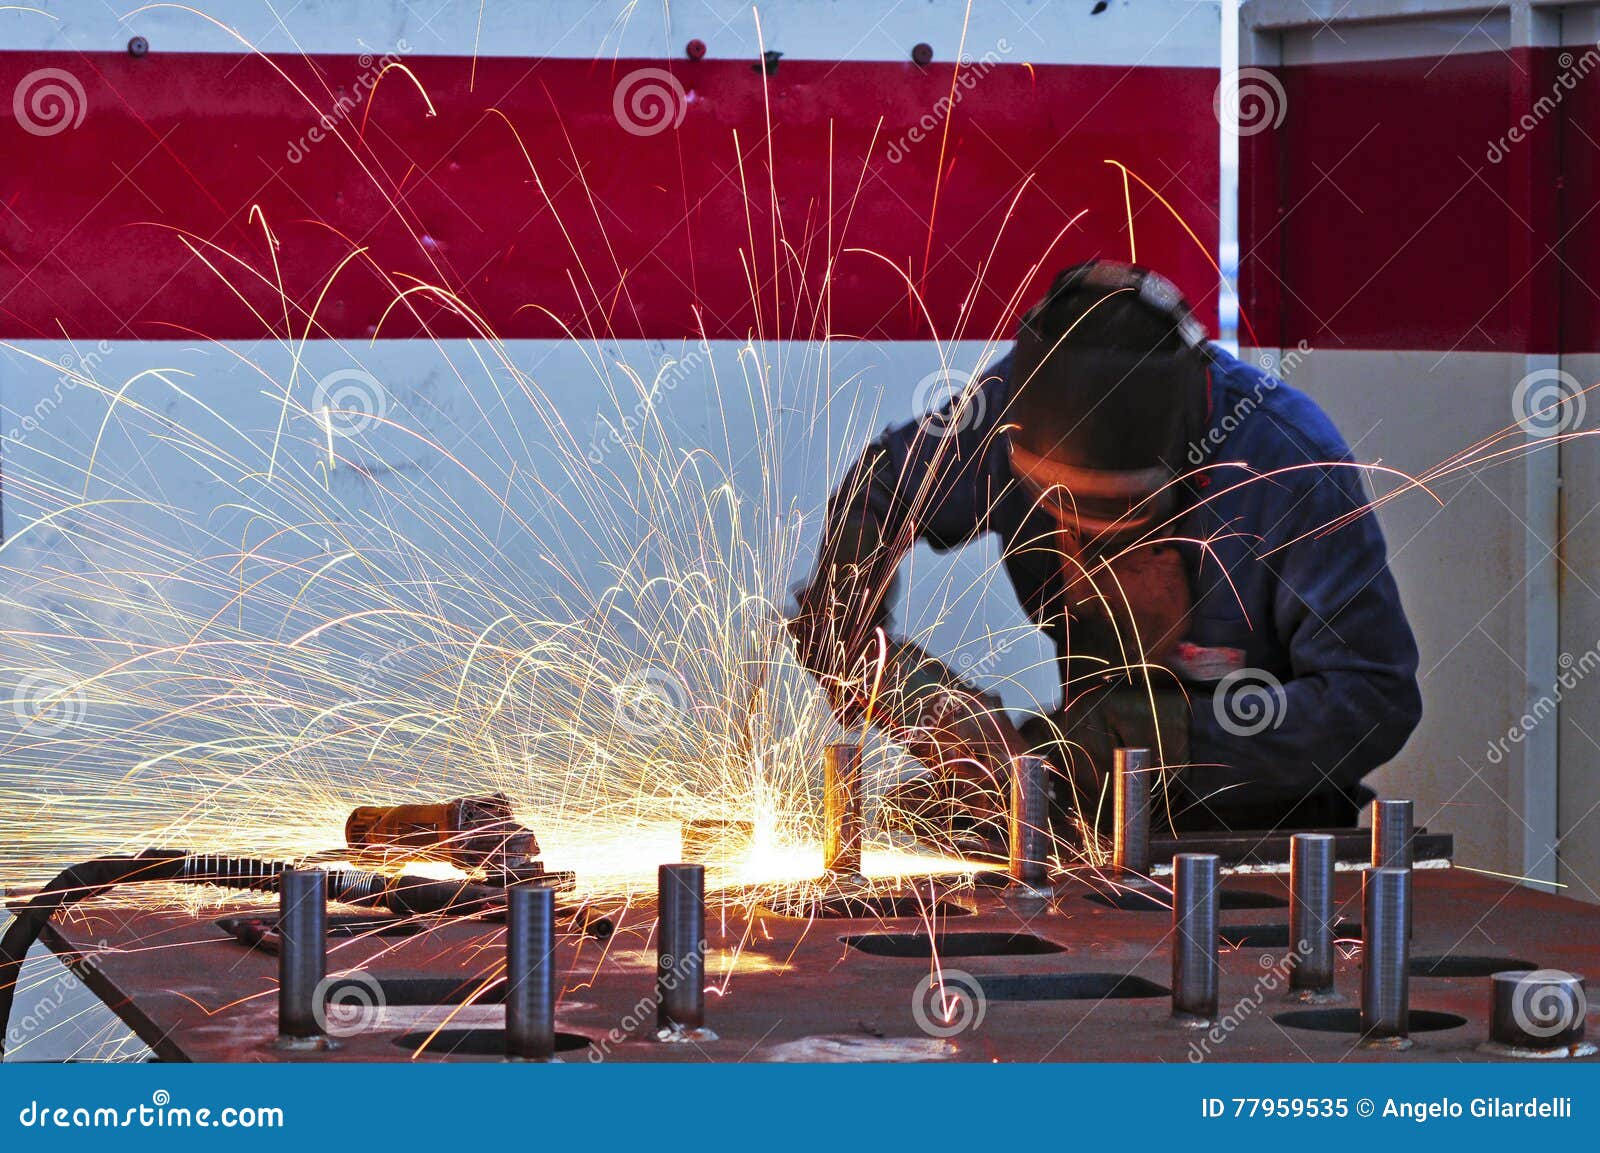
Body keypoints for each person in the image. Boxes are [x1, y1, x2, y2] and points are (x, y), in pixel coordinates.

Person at [788, 260, 1422, 845]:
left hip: (1251, 832)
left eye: (1119, 515)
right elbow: (880, 491)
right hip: (1088, 819)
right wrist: (914, 690)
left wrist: (1175, 737)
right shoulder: (1013, 404)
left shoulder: (1287, 462)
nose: (1087, 544)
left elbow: (1373, 701)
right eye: (1060, 510)